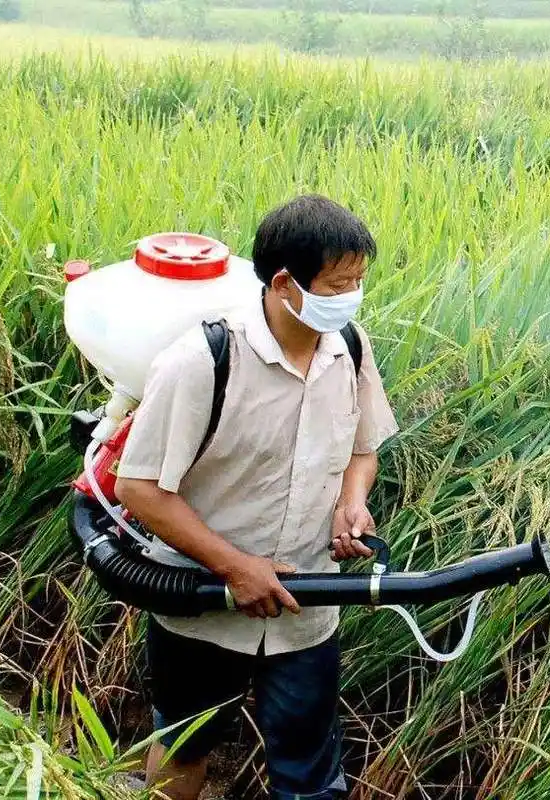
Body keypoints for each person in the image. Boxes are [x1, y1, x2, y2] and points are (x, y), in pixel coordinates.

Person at [114, 195, 399, 800]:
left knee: (310, 772)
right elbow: (138, 488)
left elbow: (362, 448)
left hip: (306, 611)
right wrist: (234, 566)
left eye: (358, 281)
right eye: (338, 283)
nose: (350, 294)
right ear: (283, 282)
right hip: (202, 606)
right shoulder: (203, 362)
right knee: (183, 747)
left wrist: (352, 502)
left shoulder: (349, 346)